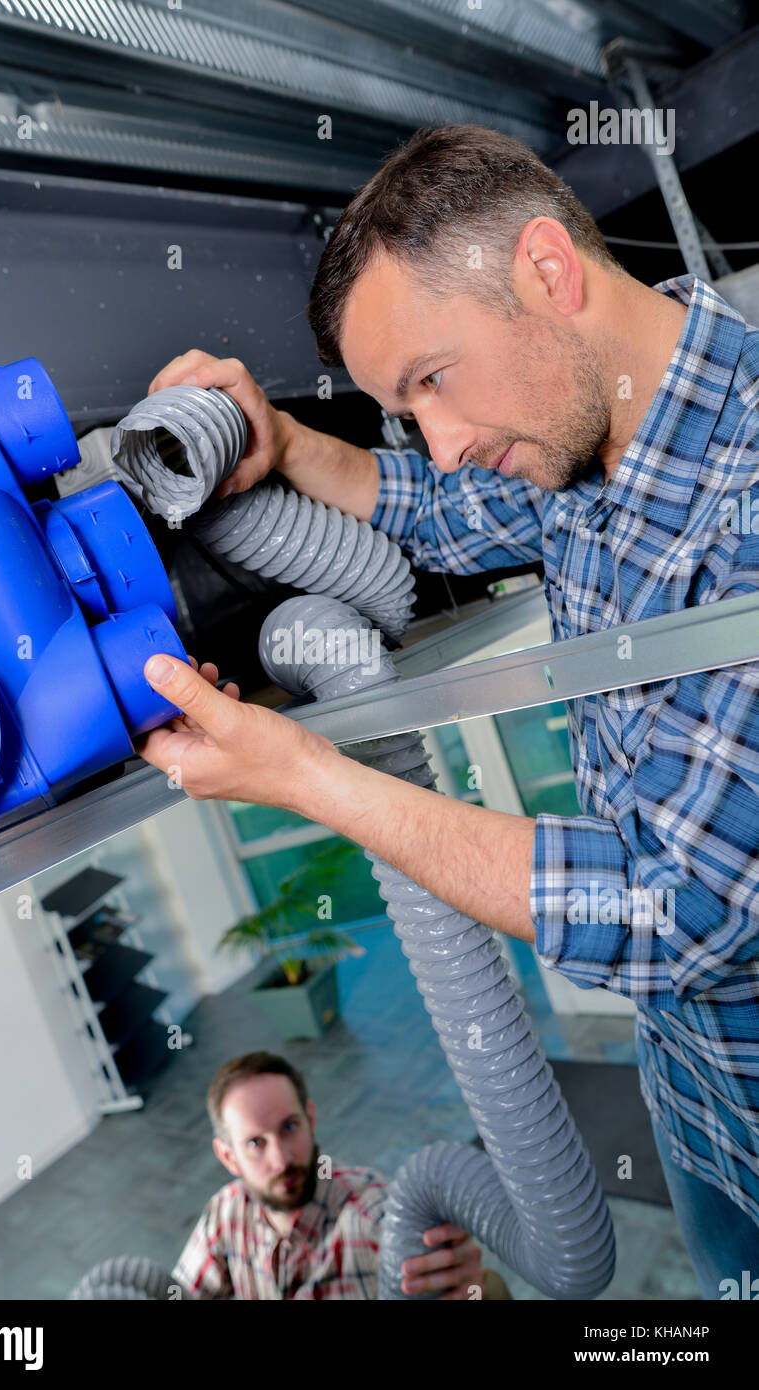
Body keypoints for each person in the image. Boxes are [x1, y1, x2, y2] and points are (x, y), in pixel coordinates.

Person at [139, 124, 759, 1300]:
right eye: (403, 403)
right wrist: (281, 443)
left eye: (429, 378)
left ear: (546, 270)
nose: (444, 437)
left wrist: (312, 777)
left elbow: (676, 909)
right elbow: (444, 507)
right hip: (699, 1103)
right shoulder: (596, 440)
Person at [171, 1051, 512, 1300]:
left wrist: (471, 1289)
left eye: (289, 1127)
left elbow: (470, 1286)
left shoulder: (375, 1217)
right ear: (228, 1157)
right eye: (256, 1143)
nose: (281, 1159)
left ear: (311, 1119)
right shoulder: (224, 1215)